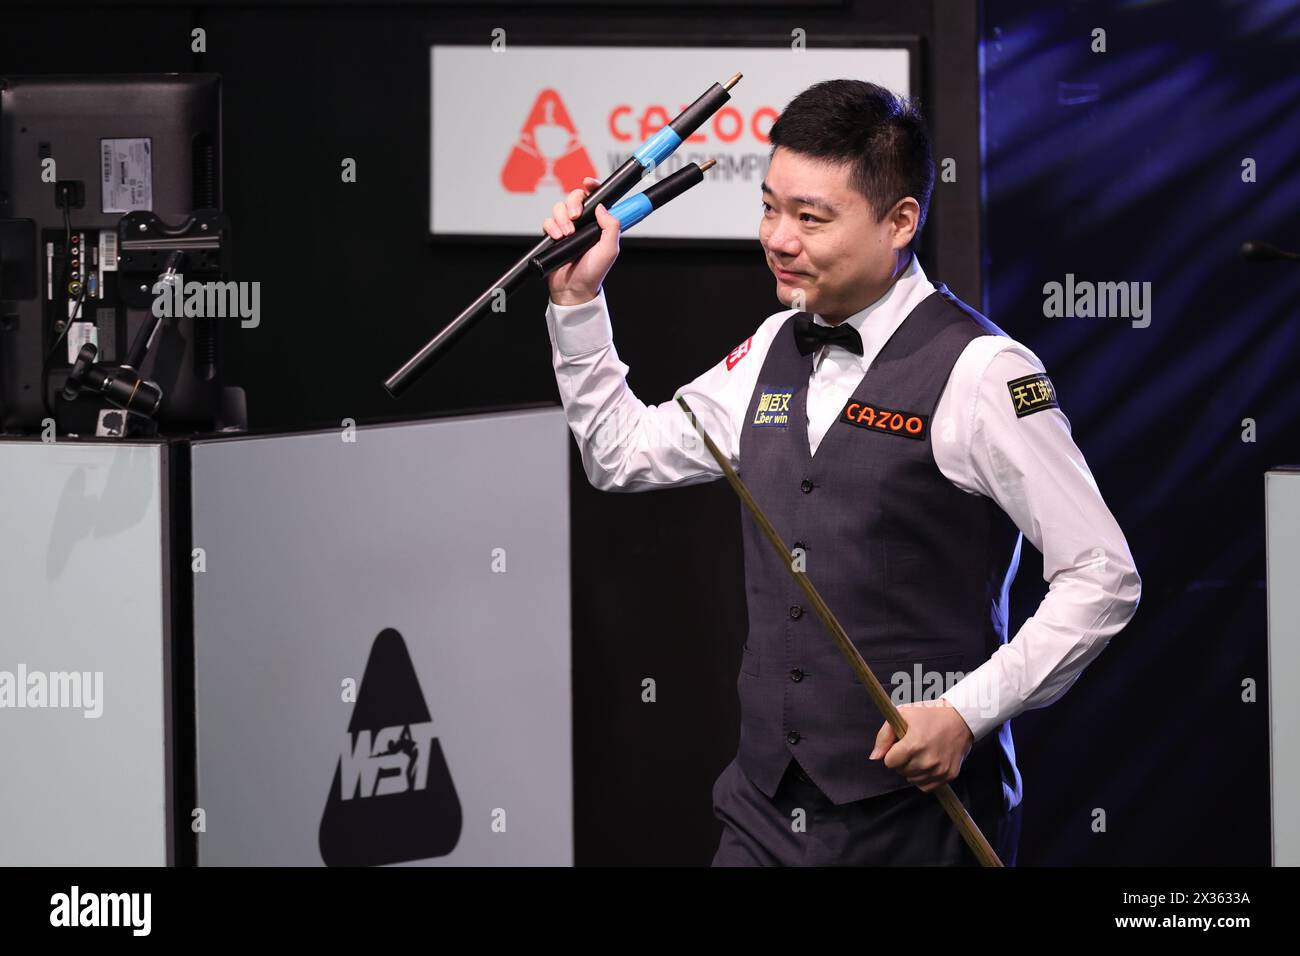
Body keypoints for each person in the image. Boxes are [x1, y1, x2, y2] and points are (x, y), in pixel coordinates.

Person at [540, 79, 1141, 866]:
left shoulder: (983, 372)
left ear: (900, 222)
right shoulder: (769, 346)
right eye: (768, 207)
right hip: (761, 809)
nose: (777, 238)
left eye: (810, 217)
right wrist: (579, 302)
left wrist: (964, 712)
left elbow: (1103, 574)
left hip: (915, 822)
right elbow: (619, 455)